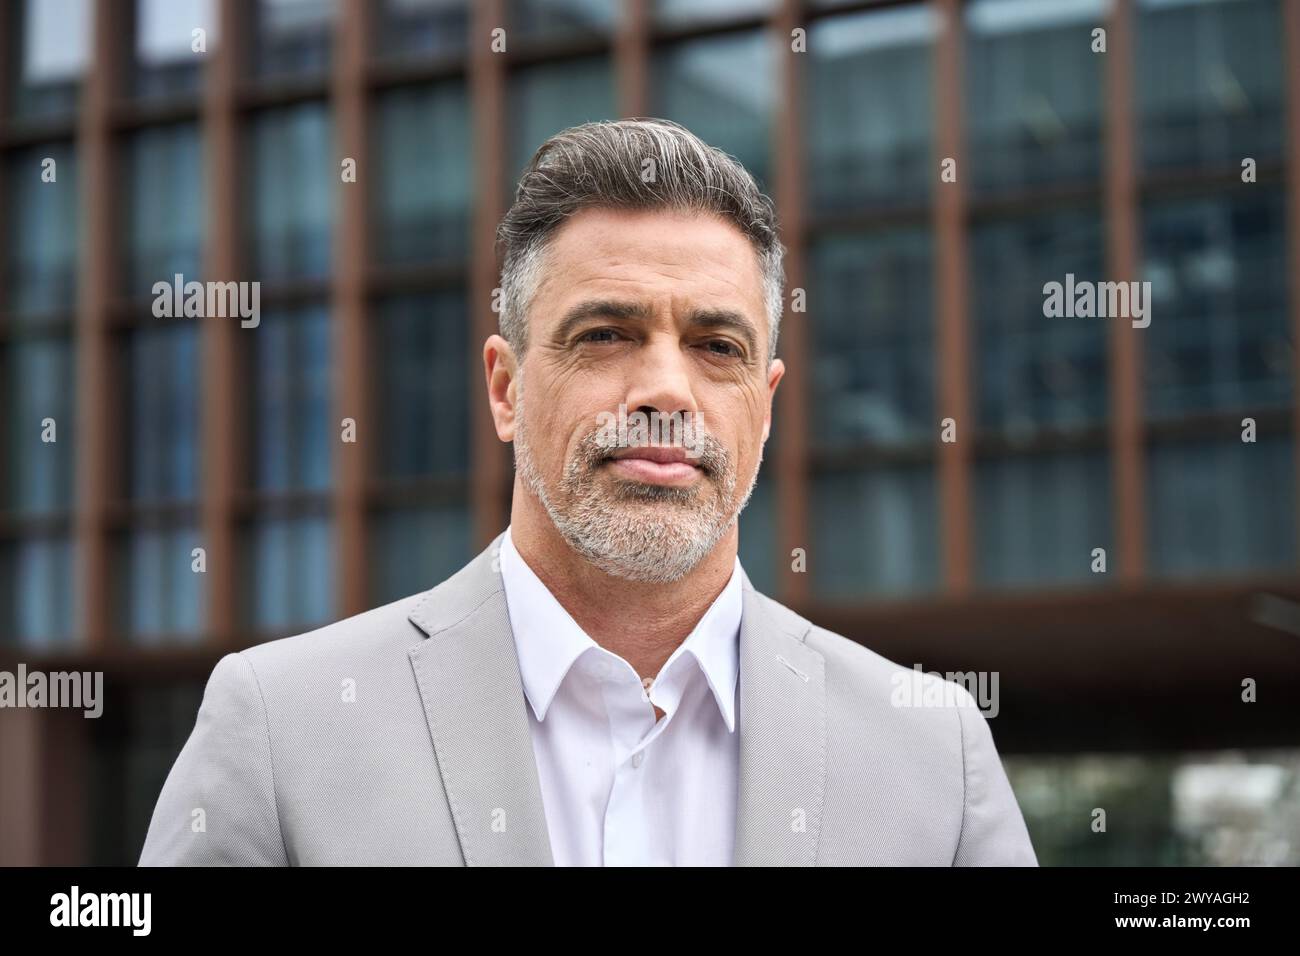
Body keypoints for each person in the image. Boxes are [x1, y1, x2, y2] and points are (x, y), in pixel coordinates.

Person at [140, 118, 1037, 866]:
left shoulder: (934, 751)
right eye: (606, 334)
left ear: (765, 406)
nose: (666, 392)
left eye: (716, 347)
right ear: (506, 389)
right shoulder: (279, 727)